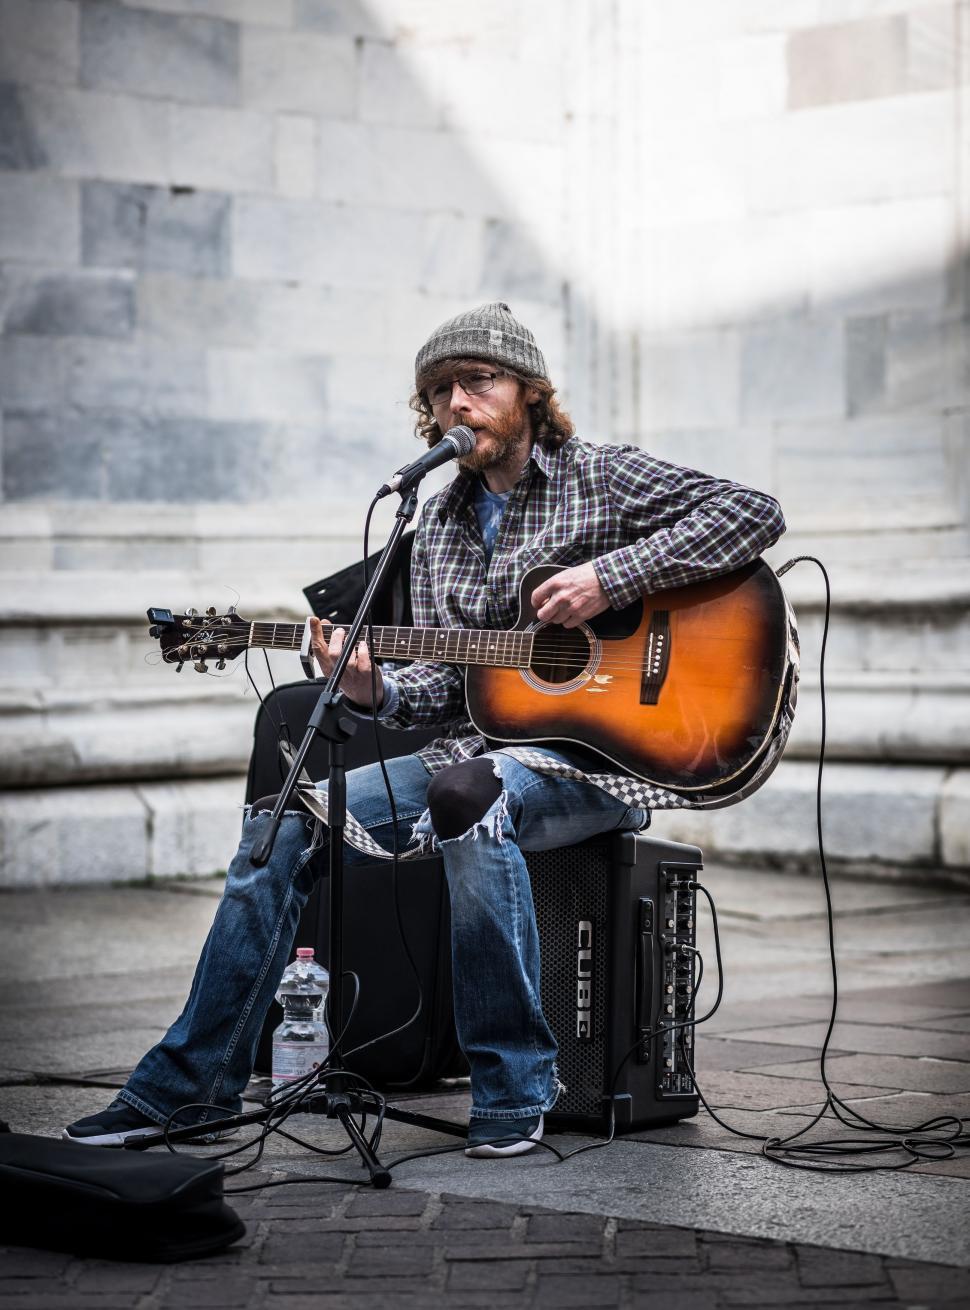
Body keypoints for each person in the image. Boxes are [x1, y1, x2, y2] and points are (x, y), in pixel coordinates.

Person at [65, 303, 785, 1157]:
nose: (458, 403)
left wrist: (606, 577)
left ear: (527, 392)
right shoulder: (434, 521)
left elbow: (753, 511)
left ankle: (516, 1085)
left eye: (478, 381)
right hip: (478, 756)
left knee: (464, 791)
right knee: (280, 821)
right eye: (440, 391)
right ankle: (189, 1088)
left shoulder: (601, 476)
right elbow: (449, 688)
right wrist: (374, 689)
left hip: (599, 767)